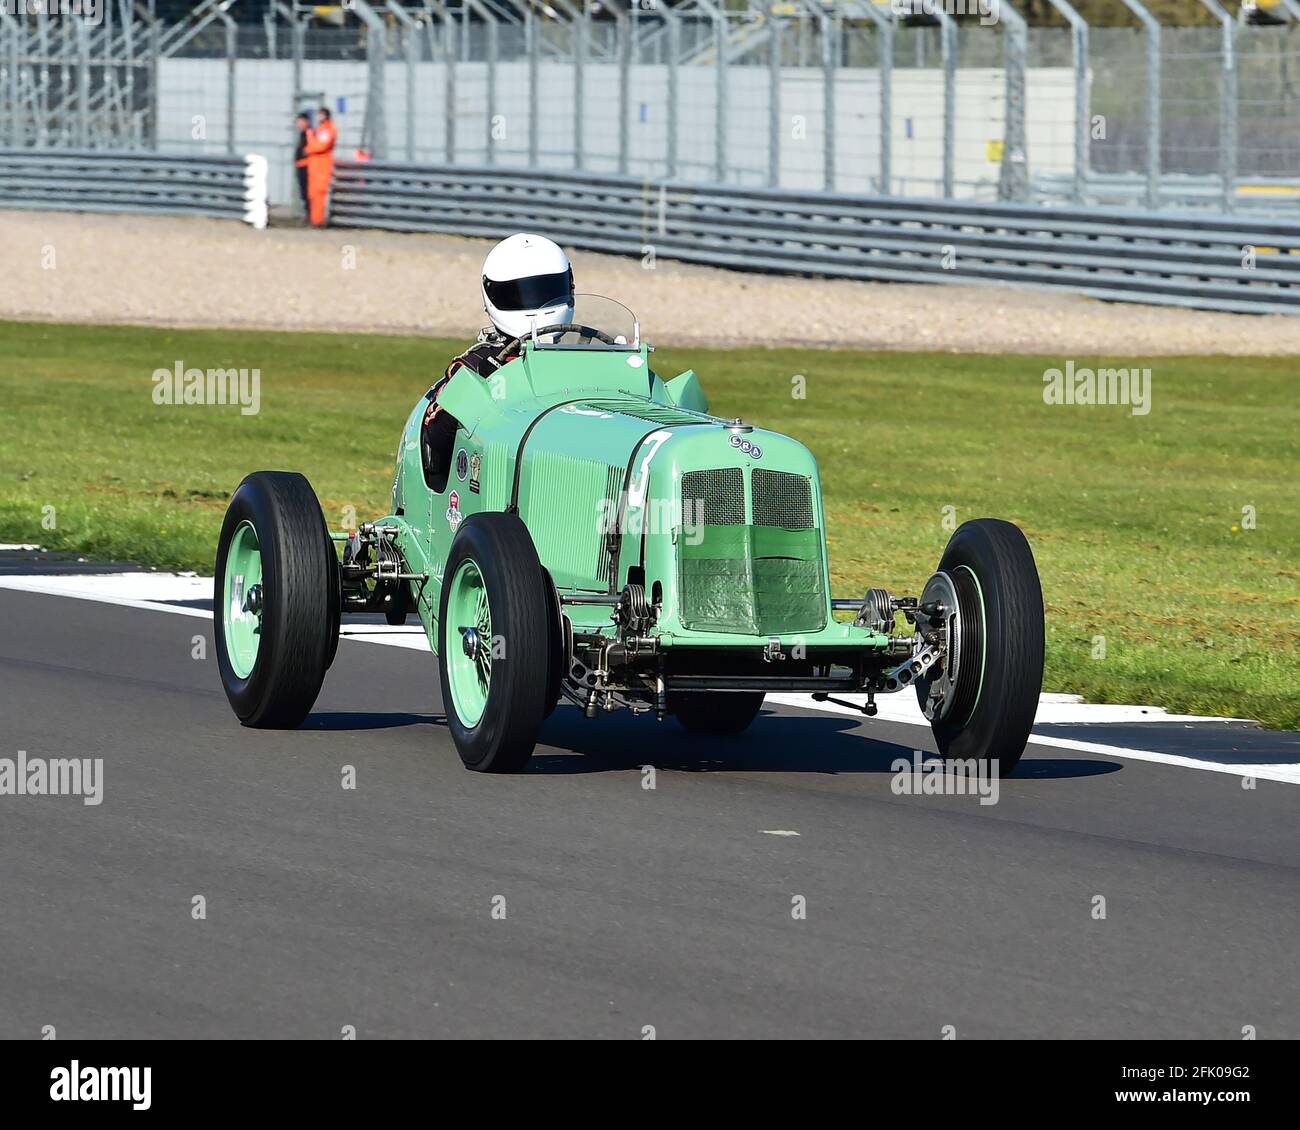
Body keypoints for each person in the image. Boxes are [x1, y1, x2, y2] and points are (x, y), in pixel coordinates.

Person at [421, 234, 574, 491]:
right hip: (488, 494)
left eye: (546, 291)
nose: (536, 303)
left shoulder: (584, 359)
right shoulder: (476, 366)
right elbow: (434, 438)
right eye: (520, 294)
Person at [303, 106, 337, 227]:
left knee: (320, 193)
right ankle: (314, 219)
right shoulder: (321, 129)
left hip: (322, 166)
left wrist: (308, 149)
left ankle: (319, 221)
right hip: (315, 165)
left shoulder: (329, 129)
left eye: (320, 115)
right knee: (313, 193)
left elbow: (321, 145)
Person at [293, 113, 311, 215]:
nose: (298, 124)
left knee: (307, 193)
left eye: (300, 121)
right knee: (303, 193)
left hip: (306, 168)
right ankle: (307, 214)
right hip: (301, 167)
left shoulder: (308, 134)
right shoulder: (302, 134)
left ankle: (310, 214)